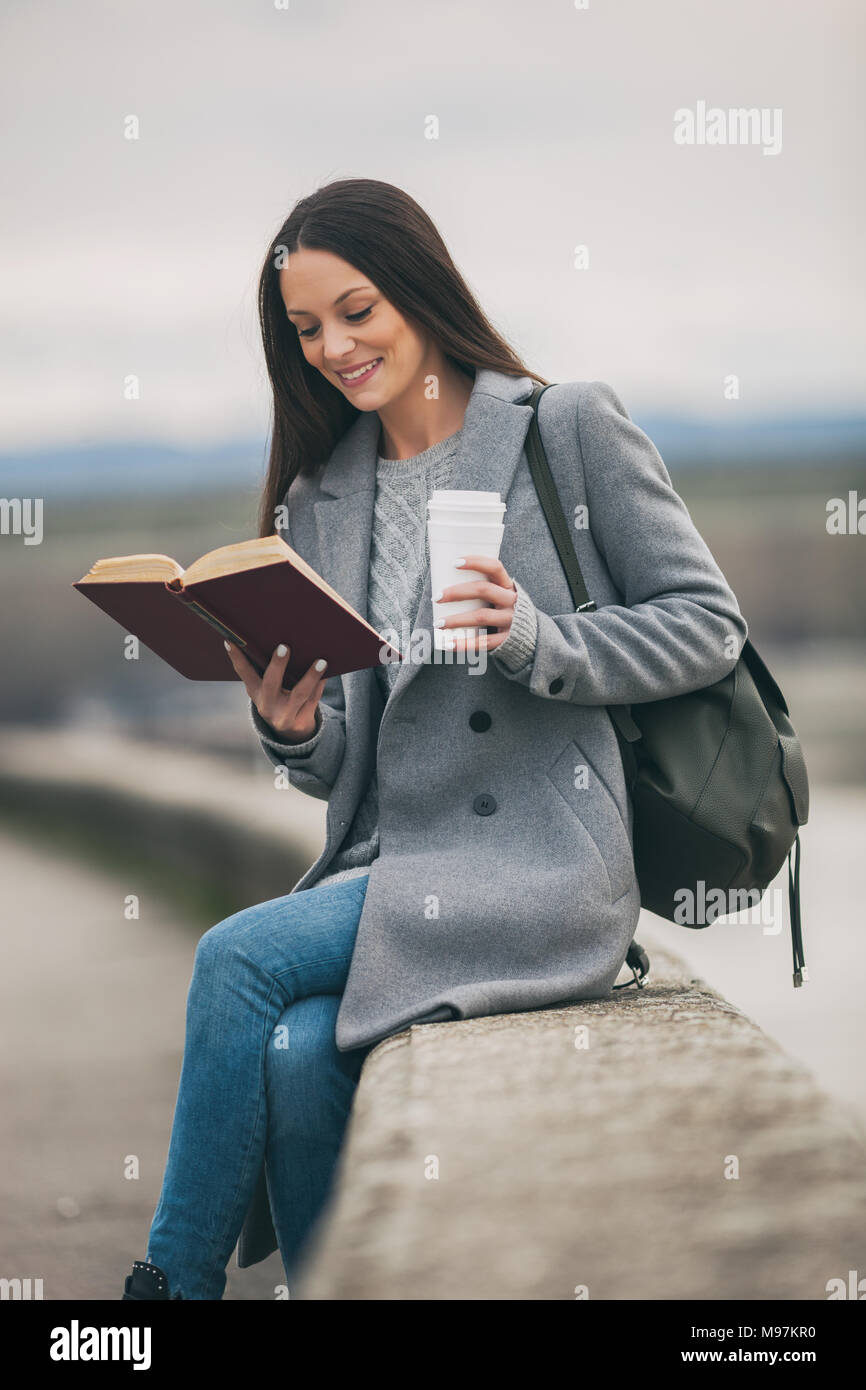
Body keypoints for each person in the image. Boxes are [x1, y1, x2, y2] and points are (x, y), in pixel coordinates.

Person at [122, 177, 747, 1300]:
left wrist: (539, 639)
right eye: (305, 328)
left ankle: (163, 1297)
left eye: (355, 310)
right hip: (394, 866)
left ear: (416, 287)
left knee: (236, 956)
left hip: (538, 870)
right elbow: (353, 755)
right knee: (294, 1056)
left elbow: (708, 624)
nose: (333, 347)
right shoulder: (318, 500)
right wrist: (294, 730)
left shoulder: (564, 427)